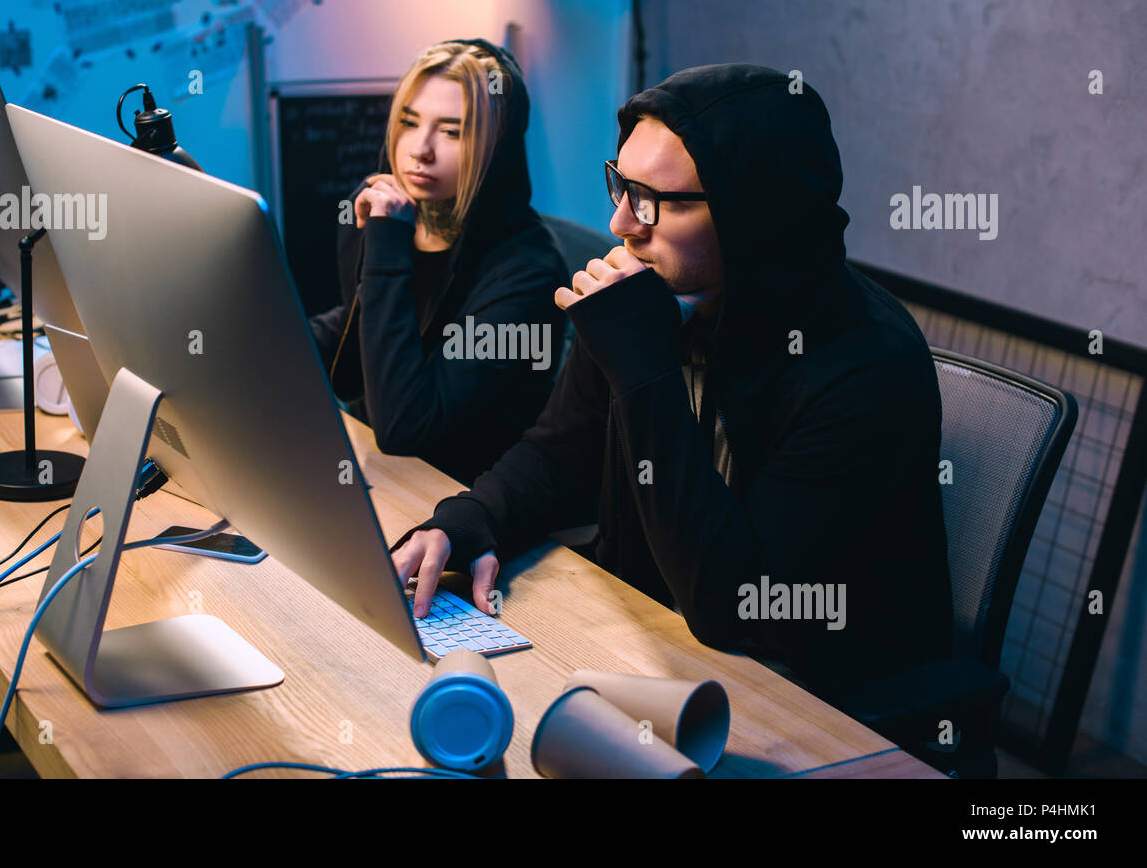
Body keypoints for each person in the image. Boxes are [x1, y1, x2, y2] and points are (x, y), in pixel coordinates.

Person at [391, 63, 954, 703]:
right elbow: (556, 454)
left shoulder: (863, 365)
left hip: (813, 693)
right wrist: (467, 521)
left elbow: (738, 605)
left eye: (658, 201)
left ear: (753, 213)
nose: (622, 225)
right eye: (621, 187)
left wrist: (641, 366)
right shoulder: (671, 298)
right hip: (657, 639)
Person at [308, 39, 568, 485]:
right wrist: (265, 346)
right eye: (409, 123)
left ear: (497, 144)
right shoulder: (393, 213)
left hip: (458, 492)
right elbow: (368, 320)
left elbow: (406, 427)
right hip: (378, 471)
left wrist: (386, 247)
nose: (419, 150)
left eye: (452, 131)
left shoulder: (529, 274)